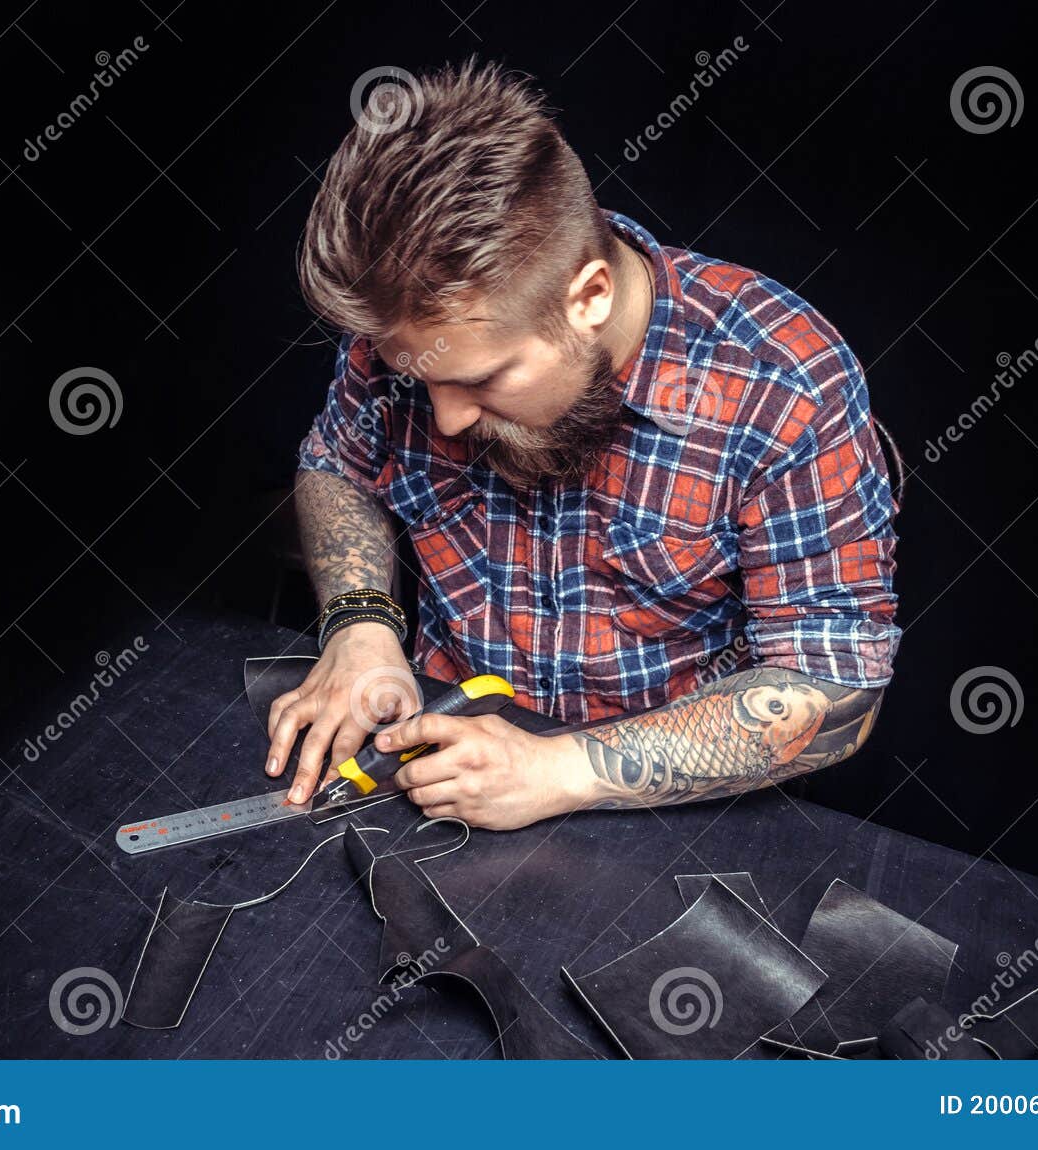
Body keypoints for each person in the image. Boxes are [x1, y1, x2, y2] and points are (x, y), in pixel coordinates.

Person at [268, 60, 900, 830]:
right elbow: (336, 466)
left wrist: (559, 770)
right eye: (418, 378)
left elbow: (834, 688)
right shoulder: (414, 334)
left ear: (590, 296)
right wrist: (361, 623)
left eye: (482, 379)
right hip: (435, 763)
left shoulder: (783, 385)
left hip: (665, 816)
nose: (447, 420)